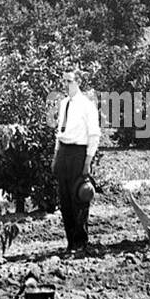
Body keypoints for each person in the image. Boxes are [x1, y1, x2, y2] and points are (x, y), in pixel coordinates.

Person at [51, 66, 100, 256]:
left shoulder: (87, 105)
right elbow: (59, 132)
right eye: (64, 81)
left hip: (79, 153)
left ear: (78, 82)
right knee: (64, 200)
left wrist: (87, 162)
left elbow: (94, 135)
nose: (65, 84)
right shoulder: (63, 103)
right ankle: (70, 241)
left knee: (79, 197)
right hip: (63, 151)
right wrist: (56, 156)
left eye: (69, 81)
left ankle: (80, 243)